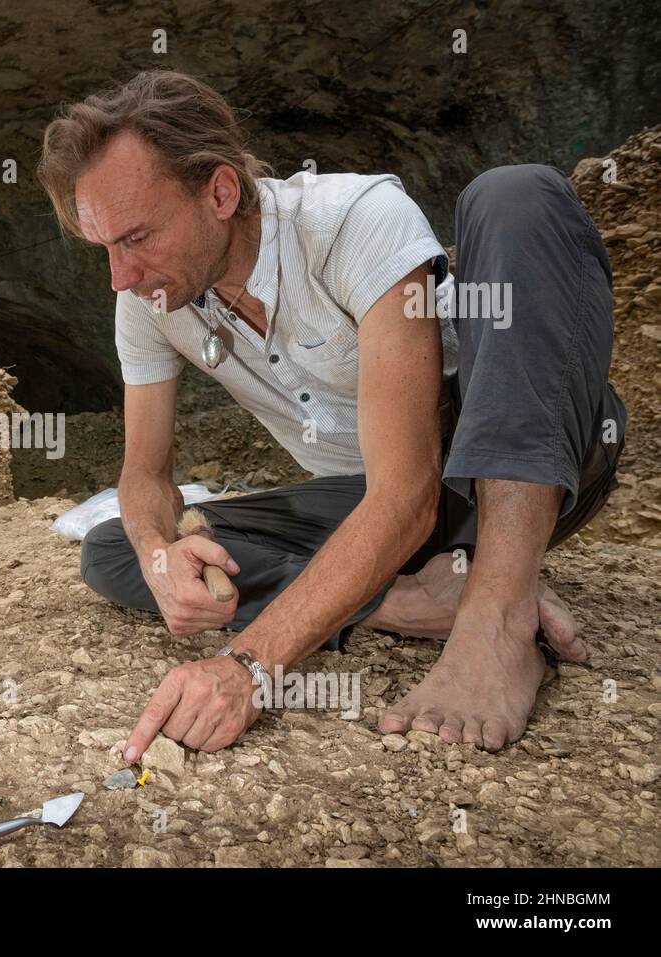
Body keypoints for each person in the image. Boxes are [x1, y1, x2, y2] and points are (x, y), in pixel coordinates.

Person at [36, 71, 625, 759]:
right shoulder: (148, 301)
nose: (119, 276)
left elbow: (407, 494)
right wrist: (161, 554)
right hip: (372, 506)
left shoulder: (352, 221)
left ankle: (496, 610)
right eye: (102, 246)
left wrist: (248, 667)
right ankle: (408, 600)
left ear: (220, 193)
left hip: (508, 459)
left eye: (136, 237)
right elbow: (143, 474)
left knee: (516, 194)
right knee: (112, 547)